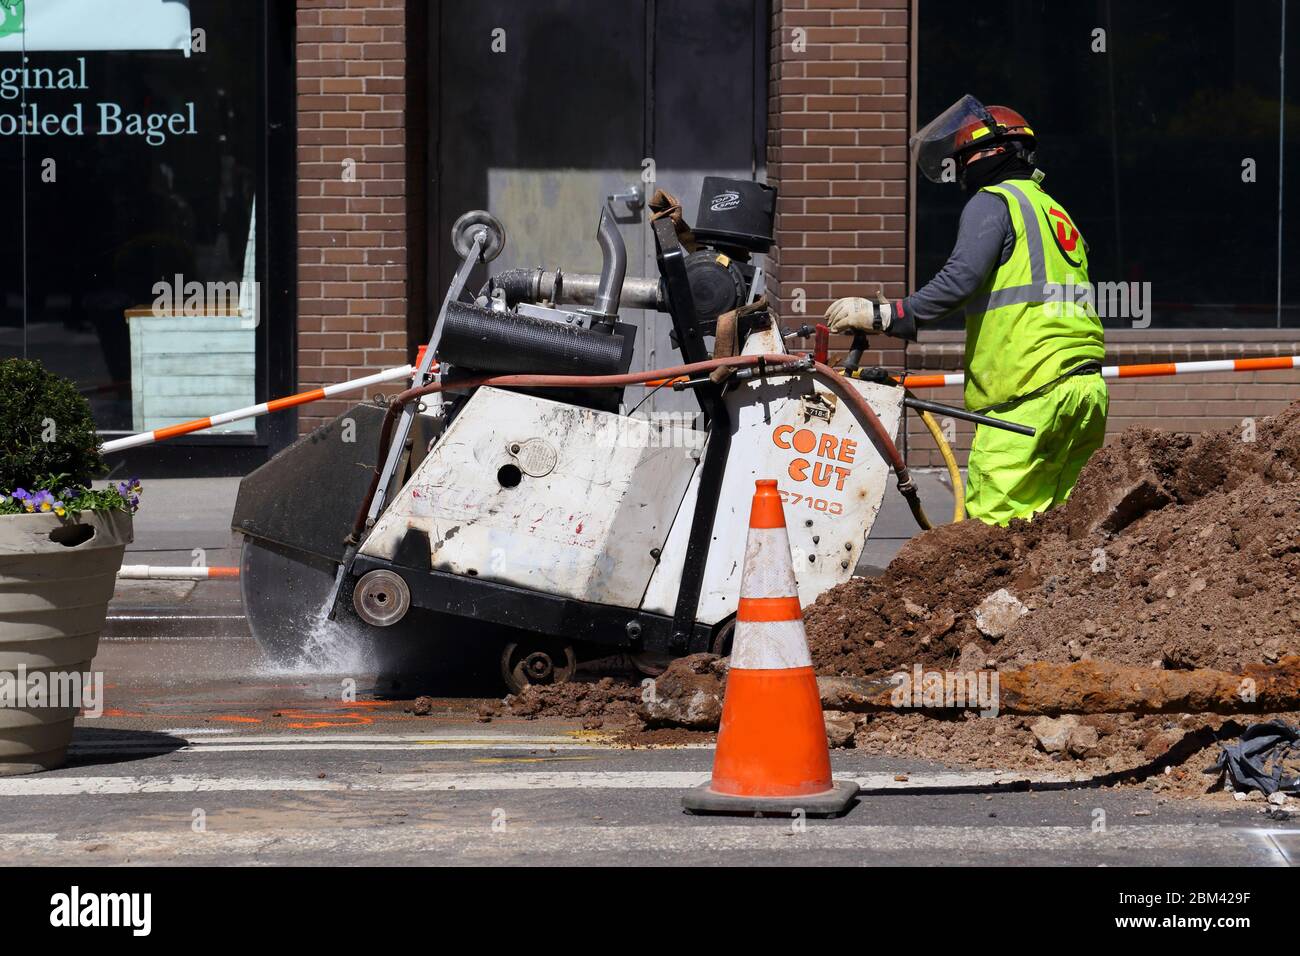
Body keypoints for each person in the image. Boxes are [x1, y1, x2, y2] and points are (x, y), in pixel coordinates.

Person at [825, 95, 1107, 526]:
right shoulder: (1053, 209)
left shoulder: (994, 202)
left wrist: (887, 315)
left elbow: (959, 280)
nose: (962, 168)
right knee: (1063, 527)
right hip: (1084, 392)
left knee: (994, 529)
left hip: (1027, 393)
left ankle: (999, 595)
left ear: (992, 153)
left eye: (965, 157)